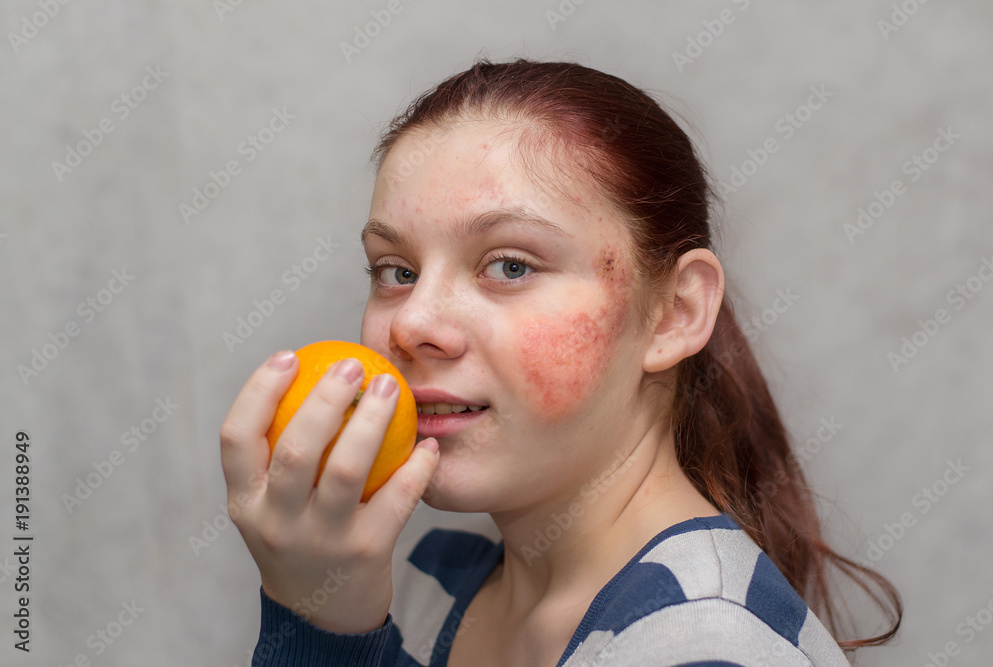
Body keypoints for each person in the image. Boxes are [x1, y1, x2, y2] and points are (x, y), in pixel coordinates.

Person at [220, 57, 901, 666]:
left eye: (509, 264)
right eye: (395, 271)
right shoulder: (431, 590)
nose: (413, 323)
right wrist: (325, 616)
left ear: (676, 312)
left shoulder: (705, 651)